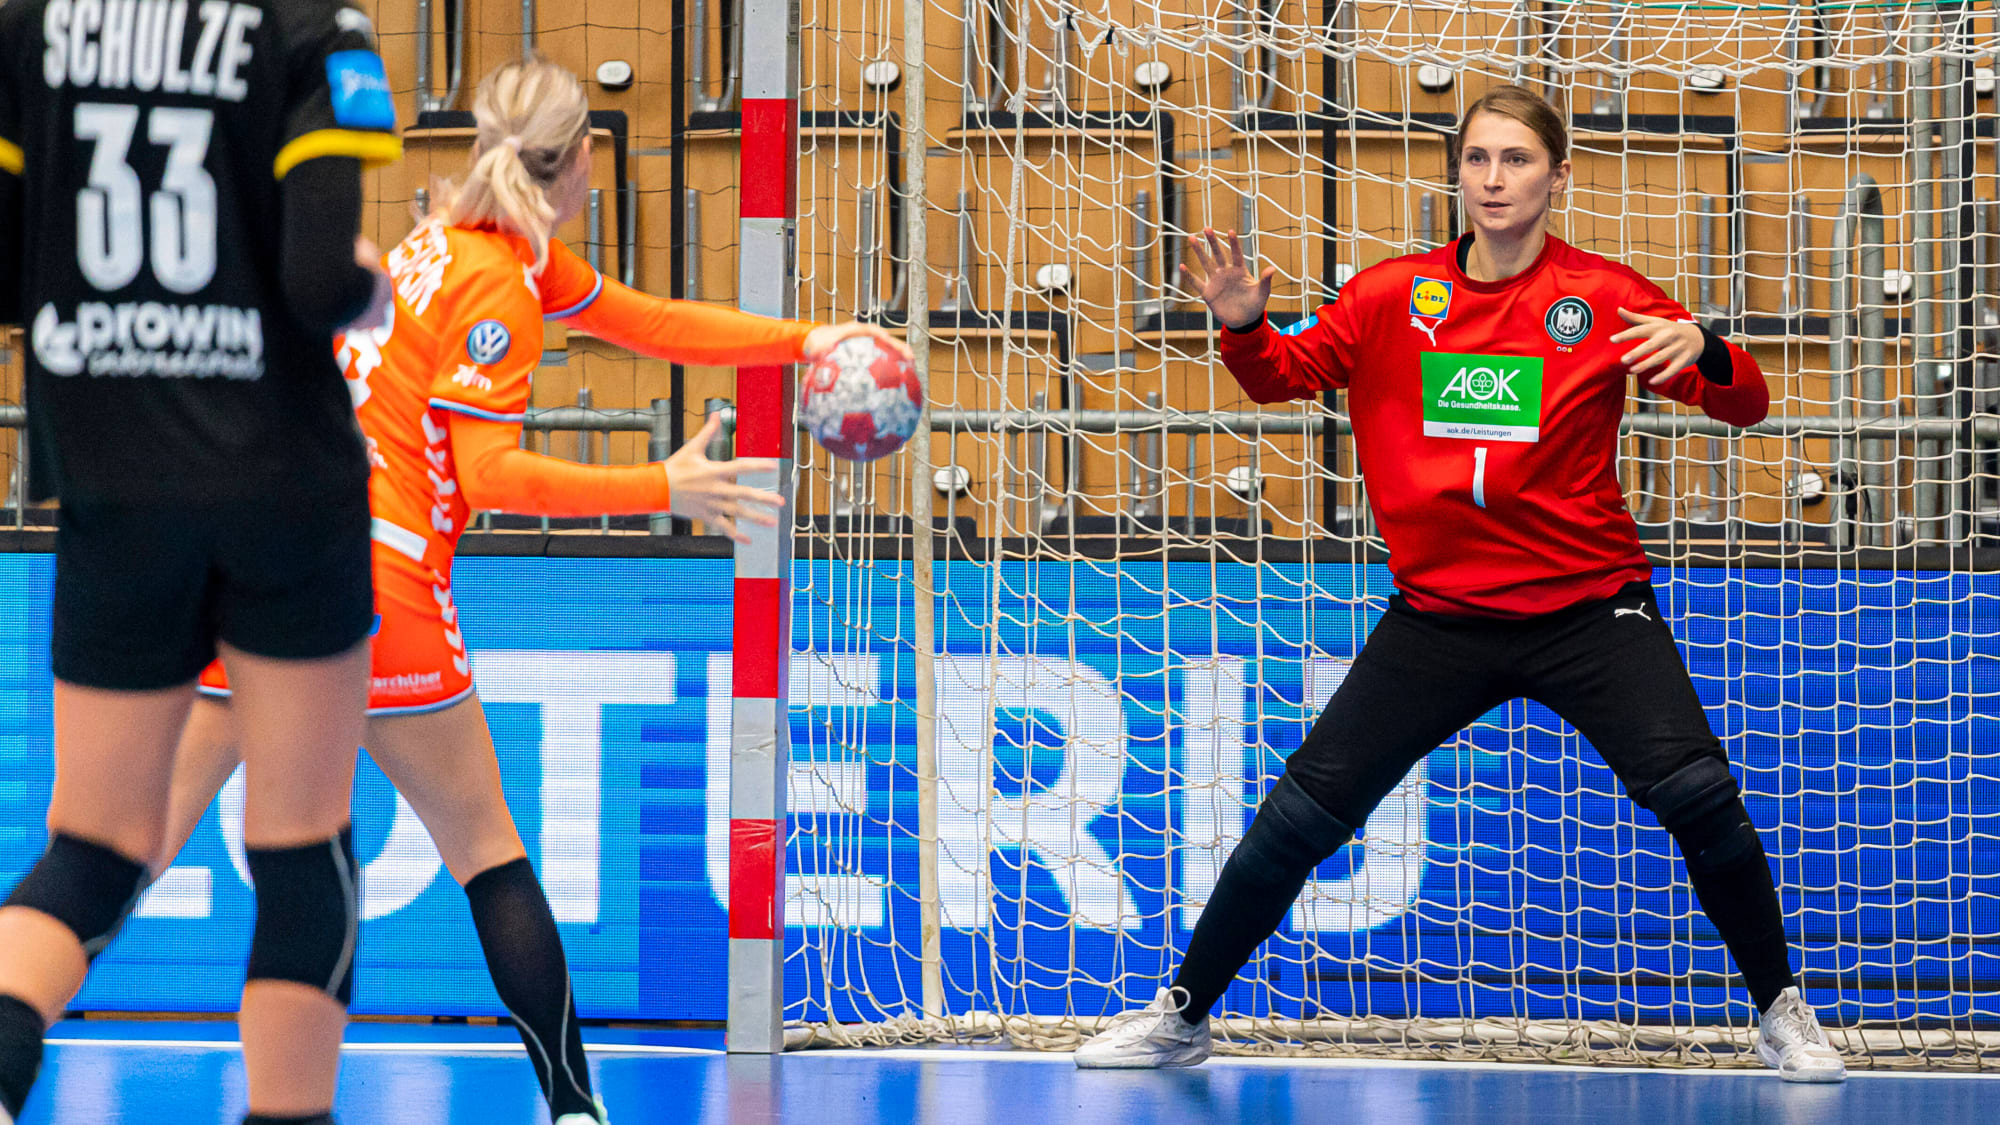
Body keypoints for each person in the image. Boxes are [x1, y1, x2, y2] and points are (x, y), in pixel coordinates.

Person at [156, 57, 912, 1125]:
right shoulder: (498, 288)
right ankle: (572, 1109)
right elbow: (490, 477)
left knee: (127, 842)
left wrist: (804, 342)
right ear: (587, 159)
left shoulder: (437, 246)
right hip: (384, 596)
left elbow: (643, 321)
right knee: (487, 854)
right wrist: (667, 485)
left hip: (271, 574)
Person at [1073, 85, 1845, 1083]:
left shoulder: (1606, 298)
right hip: (1439, 618)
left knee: (1698, 795)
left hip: (1587, 609)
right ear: (1457, 173)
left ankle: (1780, 1011)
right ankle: (1180, 1015)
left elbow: (1743, 405)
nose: (1493, 178)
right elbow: (1280, 375)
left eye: (1516, 160)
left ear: (1556, 178)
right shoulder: (1392, 296)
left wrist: (1703, 348)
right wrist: (1240, 325)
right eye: (1477, 158)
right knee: (1302, 814)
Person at [0, 2, 404, 1121]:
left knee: (91, 844)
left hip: (111, 477)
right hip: (286, 492)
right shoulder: (314, 31)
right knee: (302, 847)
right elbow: (322, 280)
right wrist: (370, 288)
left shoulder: (28, 28)